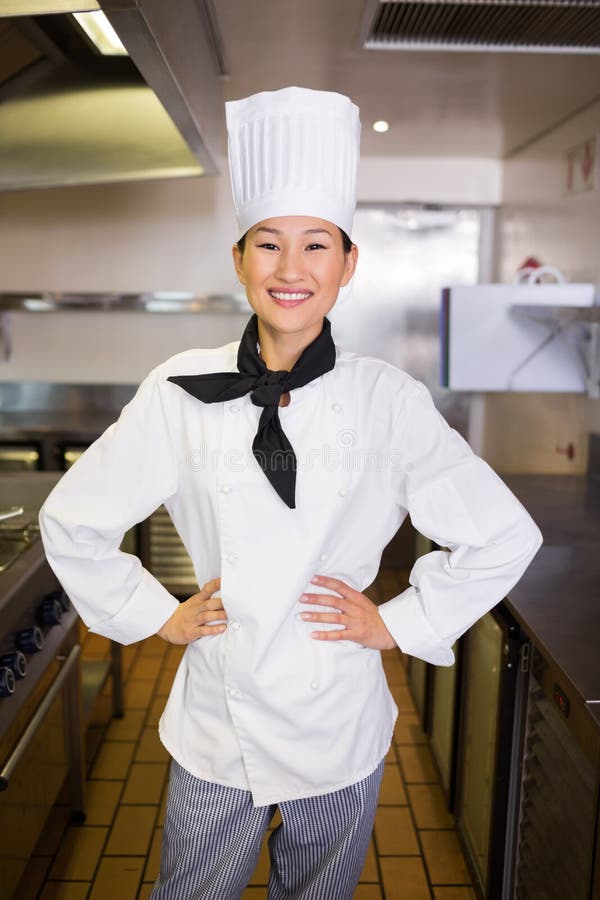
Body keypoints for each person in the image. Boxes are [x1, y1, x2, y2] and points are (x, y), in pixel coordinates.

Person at [39, 86, 543, 900]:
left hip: (338, 720)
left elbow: (503, 536)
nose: (291, 269)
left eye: (316, 246)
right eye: (268, 245)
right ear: (238, 260)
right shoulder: (179, 390)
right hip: (217, 726)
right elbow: (71, 521)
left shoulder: (387, 399)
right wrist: (155, 616)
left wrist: (396, 620)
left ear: (348, 265)